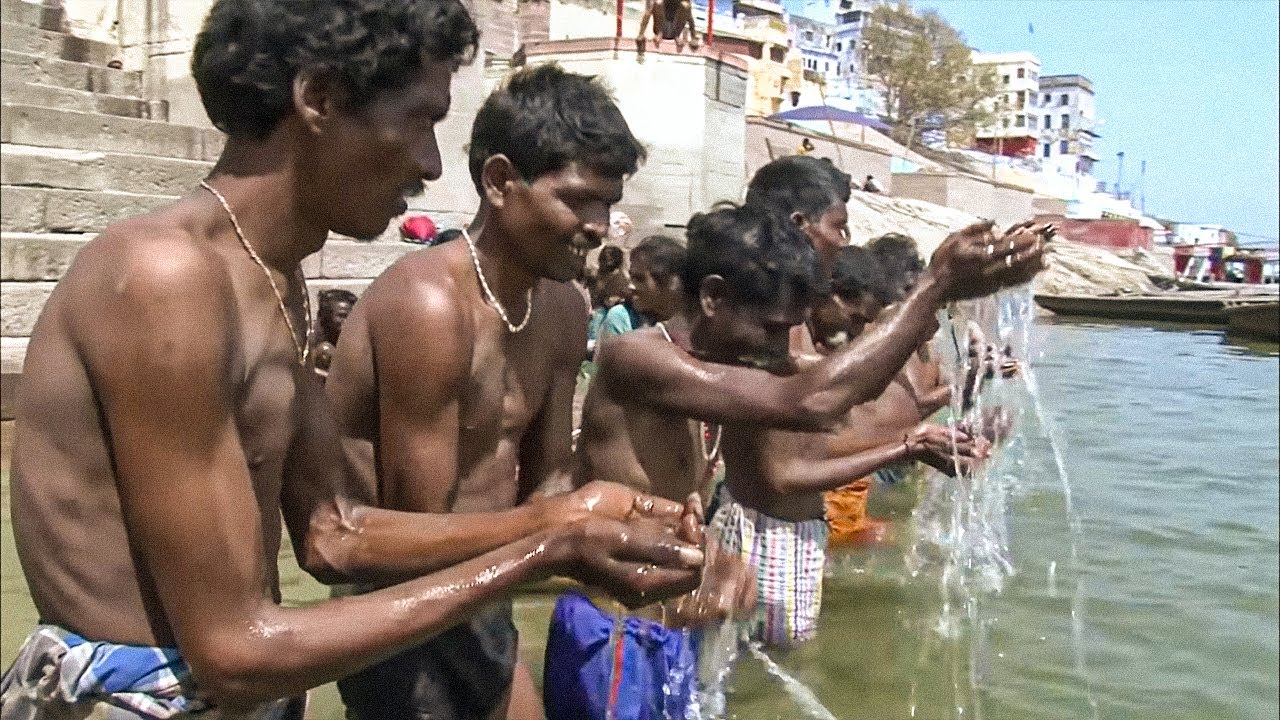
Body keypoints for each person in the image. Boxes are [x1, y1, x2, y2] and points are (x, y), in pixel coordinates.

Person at [1, 4, 707, 718]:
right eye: (421, 120)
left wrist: (581, 520)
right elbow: (234, 651)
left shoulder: (273, 283)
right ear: (319, 99)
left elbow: (334, 536)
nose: (432, 164)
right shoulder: (165, 277)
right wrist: (550, 545)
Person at [323, 63, 726, 720]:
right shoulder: (429, 306)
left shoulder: (562, 309)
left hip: (491, 592)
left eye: (608, 204)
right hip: (399, 617)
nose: (600, 225)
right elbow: (420, 534)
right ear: (500, 182)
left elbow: (547, 486)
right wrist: (570, 531)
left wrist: (648, 532)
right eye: (578, 200)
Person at [313, 289, 357, 384]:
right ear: (326, 318)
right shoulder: (325, 351)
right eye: (342, 316)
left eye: (352, 316)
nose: (348, 321)